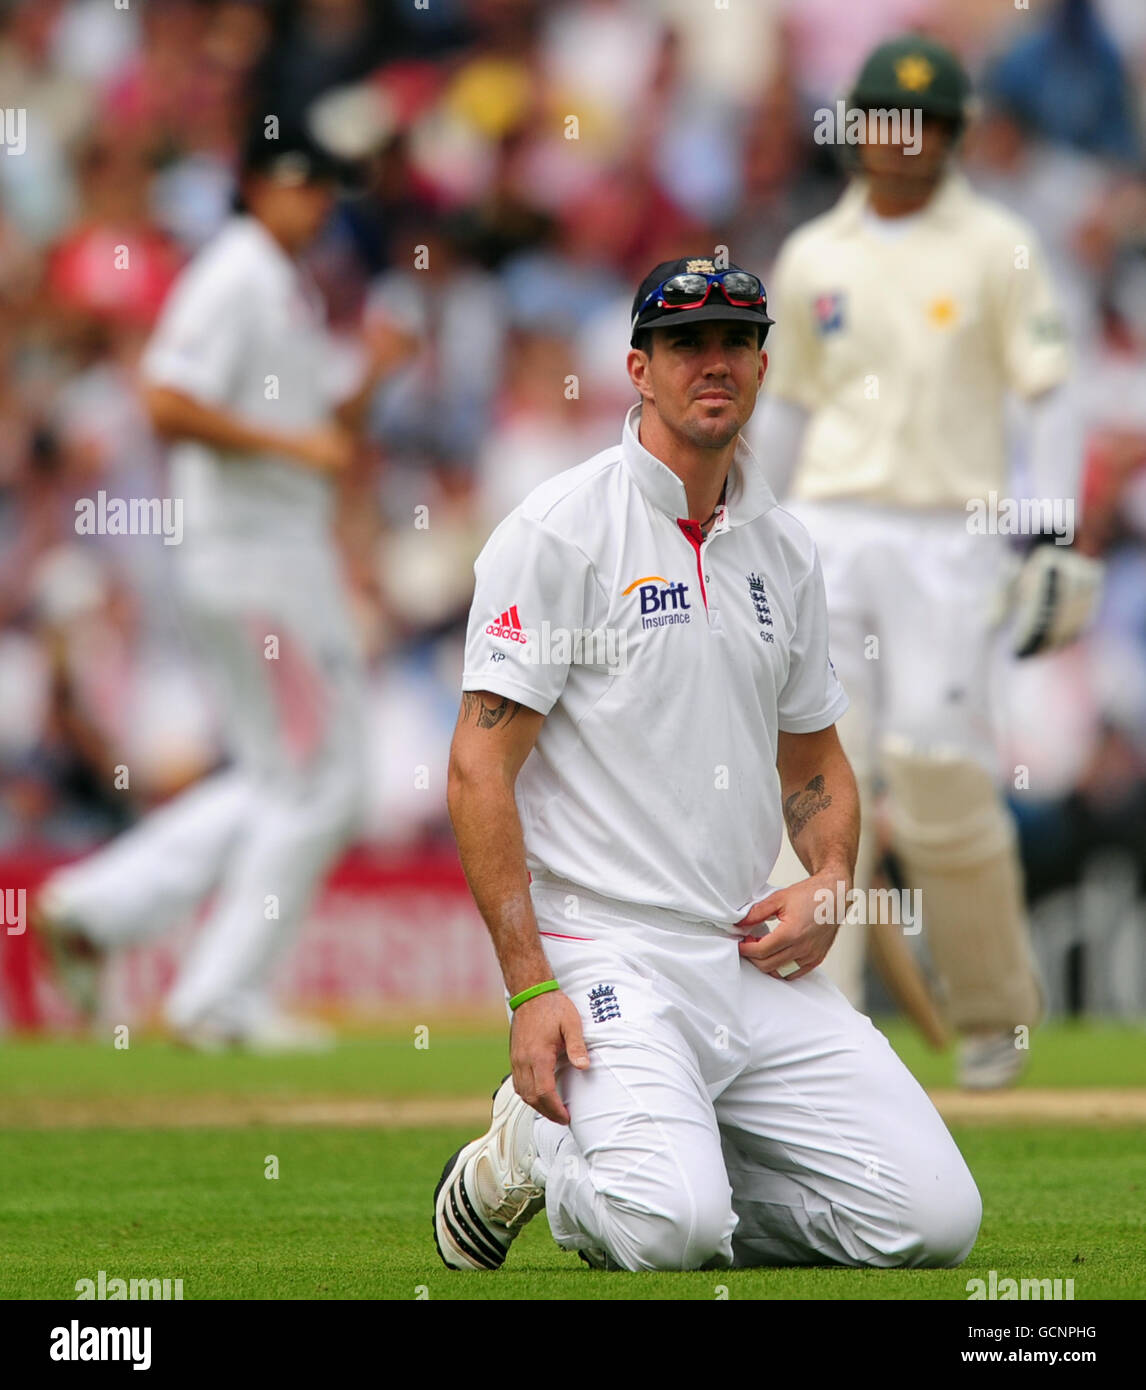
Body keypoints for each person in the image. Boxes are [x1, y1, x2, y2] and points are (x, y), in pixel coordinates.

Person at [434, 257, 982, 1272]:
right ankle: (541, 1146)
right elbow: (477, 771)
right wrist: (528, 990)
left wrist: (827, 881)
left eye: (735, 341)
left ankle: (678, 1161)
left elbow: (815, 761)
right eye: (687, 343)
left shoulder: (783, 546)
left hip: (744, 951)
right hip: (607, 954)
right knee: (665, 1228)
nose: (714, 361)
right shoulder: (560, 529)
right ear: (639, 368)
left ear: (764, 366)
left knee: (934, 1222)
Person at [754, 36, 1099, 1089]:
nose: (900, 143)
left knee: (944, 765)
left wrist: (1048, 529)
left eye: (923, 124)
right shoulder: (815, 252)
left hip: (952, 533)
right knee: (815, 765)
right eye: (882, 122)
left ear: (950, 136)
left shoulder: (999, 245)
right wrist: (751, 527)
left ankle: (994, 1008)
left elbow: (1049, 393)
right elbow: (787, 409)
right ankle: (801, 1010)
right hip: (829, 528)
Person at [35, 126, 415, 1051]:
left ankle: (94, 907)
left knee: (283, 778)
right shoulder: (238, 273)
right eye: (301, 184)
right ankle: (218, 996)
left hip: (263, 556)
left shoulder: (278, 285)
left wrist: (374, 372)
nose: (318, 202)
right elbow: (166, 398)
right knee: (327, 783)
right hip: (260, 563)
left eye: (329, 187)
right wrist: (299, 448)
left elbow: (313, 426)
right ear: (254, 186)